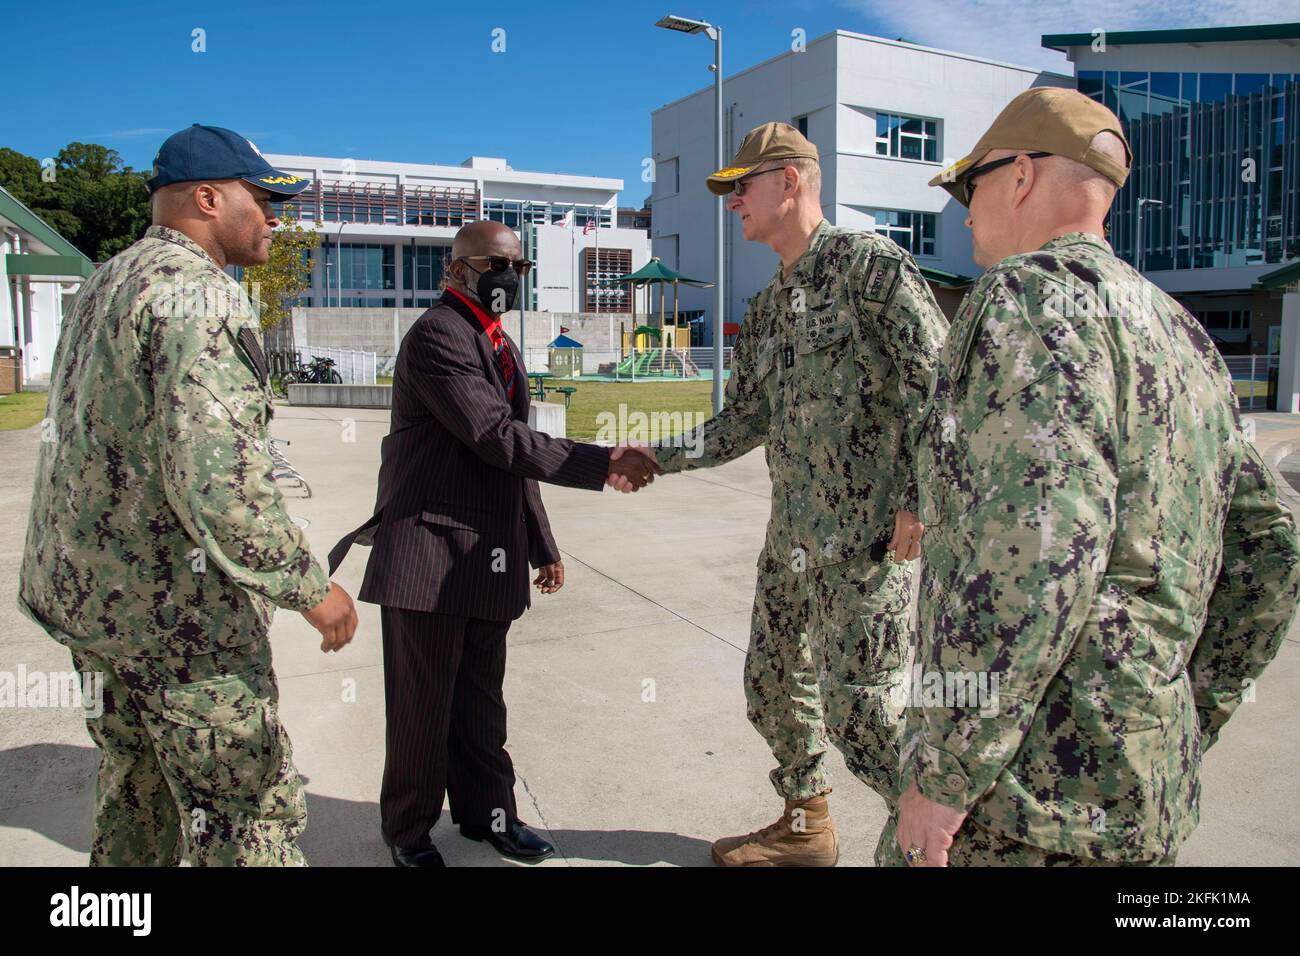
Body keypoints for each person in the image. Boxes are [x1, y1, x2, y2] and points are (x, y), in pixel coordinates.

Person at [883, 87, 1300, 867]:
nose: (964, 214)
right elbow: (1272, 549)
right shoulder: (1183, 333)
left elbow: (1034, 556)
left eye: (971, 186)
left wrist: (946, 777)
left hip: (1023, 803)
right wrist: (1173, 713)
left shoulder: (1026, 297)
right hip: (1139, 789)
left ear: (1021, 176)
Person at [18, 124, 359, 866]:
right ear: (208, 198)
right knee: (247, 814)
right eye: (264, 200)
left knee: (135, 796)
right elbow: (219, 485)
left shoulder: (106, 282)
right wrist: (309, 587)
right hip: (180, 622)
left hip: (94, 608)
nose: (275, 218)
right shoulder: (200, 296)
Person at [616, 122, 947, 865]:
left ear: (789, 181)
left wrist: (919, 498)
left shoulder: (870, 268)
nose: (732, 203)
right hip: (792, 541)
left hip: (864, 543)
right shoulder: (768, 308)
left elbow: (938, 378)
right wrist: (656, 458)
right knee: (772, 687)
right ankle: (807, 832)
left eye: (742, 187)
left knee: (861, 713)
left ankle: (945, 842)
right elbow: (746, 420)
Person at [329, 220, 655, 866]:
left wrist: (541, 542)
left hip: (486, 559)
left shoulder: (497, 342)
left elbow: (511, 455)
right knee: (423, 712)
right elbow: (493, 434)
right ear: (456, 272)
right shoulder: (438, 338)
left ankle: (489, 816)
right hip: (428, 559)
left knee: (481, 704)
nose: (510, 278)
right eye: (495, 266)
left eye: (520, 267)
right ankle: (409, 832)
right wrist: (602, 463)